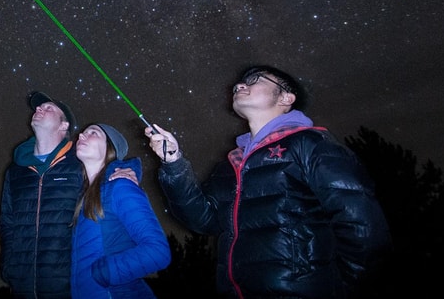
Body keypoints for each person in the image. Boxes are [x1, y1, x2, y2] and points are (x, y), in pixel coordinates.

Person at [144, 65, 390, 299]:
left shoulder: (311, 146)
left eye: (255, 80)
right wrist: (174, 164)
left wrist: (341, 288)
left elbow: (362, 225)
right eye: (240, 82)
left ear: (286, 98)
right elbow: (203, 221)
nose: (239, 84)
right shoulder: (230, 166)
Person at [0, 92, 138, 298]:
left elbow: (110, 159)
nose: (38, 109)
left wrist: (129, 169)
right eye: (38, 107)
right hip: (23, 286)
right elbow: (7, 223)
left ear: (64, 126)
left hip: (69, 286)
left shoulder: (79, 163)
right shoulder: (15, 171)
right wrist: (9, 267)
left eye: (48, 108)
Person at [71, 123, 171, 299]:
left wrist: (105, 272)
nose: (80, 136)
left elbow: (158, 251)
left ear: (109, 148)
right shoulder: (82, 198)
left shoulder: (121, 186)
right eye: (81, 133)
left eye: (92, 133)